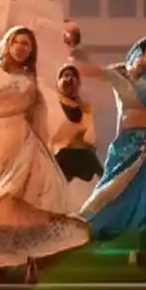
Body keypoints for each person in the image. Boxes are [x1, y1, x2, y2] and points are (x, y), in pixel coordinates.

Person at [0, 26, 89, 284]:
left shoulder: (31, 81)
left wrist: (43, 147)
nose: (21, 47)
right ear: (8, 45)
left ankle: (33, 262)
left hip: (20, 141)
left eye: (26, 44)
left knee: (26, 200)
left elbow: (38, 116)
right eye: (17, 42)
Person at [66, 25, 146, 276]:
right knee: (111, 191)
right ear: (140, 53)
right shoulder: (119, 74)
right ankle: (78, 233)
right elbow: (89, 71)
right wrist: (73, 53)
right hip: (128, 144)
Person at [48, 63, 104, 208]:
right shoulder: (53, 104)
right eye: (65, 75)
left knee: (103, 186)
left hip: (85, 156)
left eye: (73, 76)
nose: (69, 79)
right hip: (61, 155)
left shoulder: (85, 108)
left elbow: (90, 136)